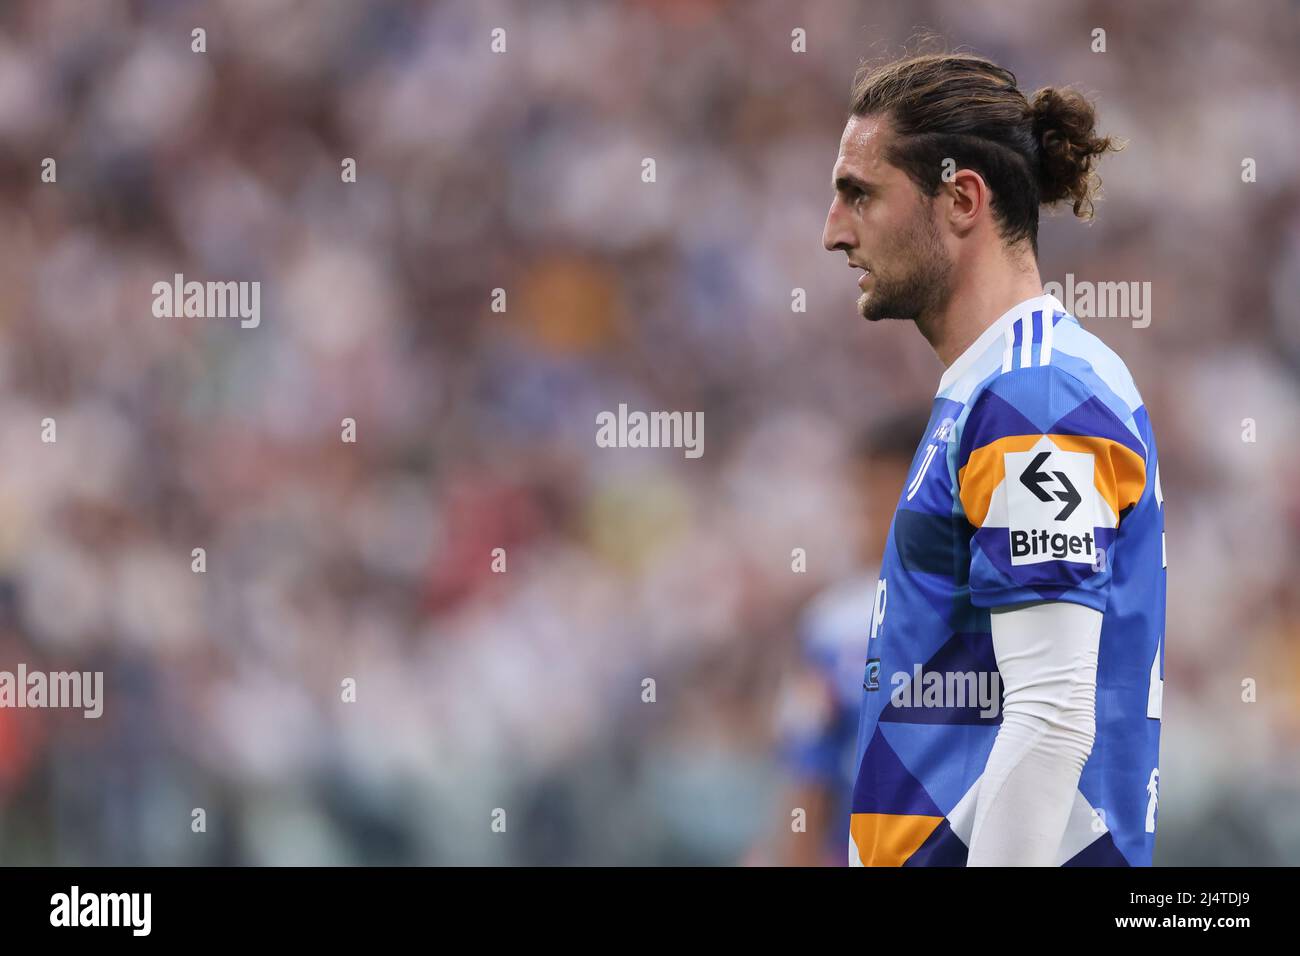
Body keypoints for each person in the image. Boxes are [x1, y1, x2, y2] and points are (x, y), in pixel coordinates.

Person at [821, 52, 1166, 866]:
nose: (834, 230)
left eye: (859, 193)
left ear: (962, 198)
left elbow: (1051, 717)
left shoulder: (1036, 397)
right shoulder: (995, 390)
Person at [770, 410, 931, 866]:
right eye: (863, 500)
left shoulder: (986, 608)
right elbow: (809, 769)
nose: (868, 519)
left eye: (883, 500)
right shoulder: (831, 622)